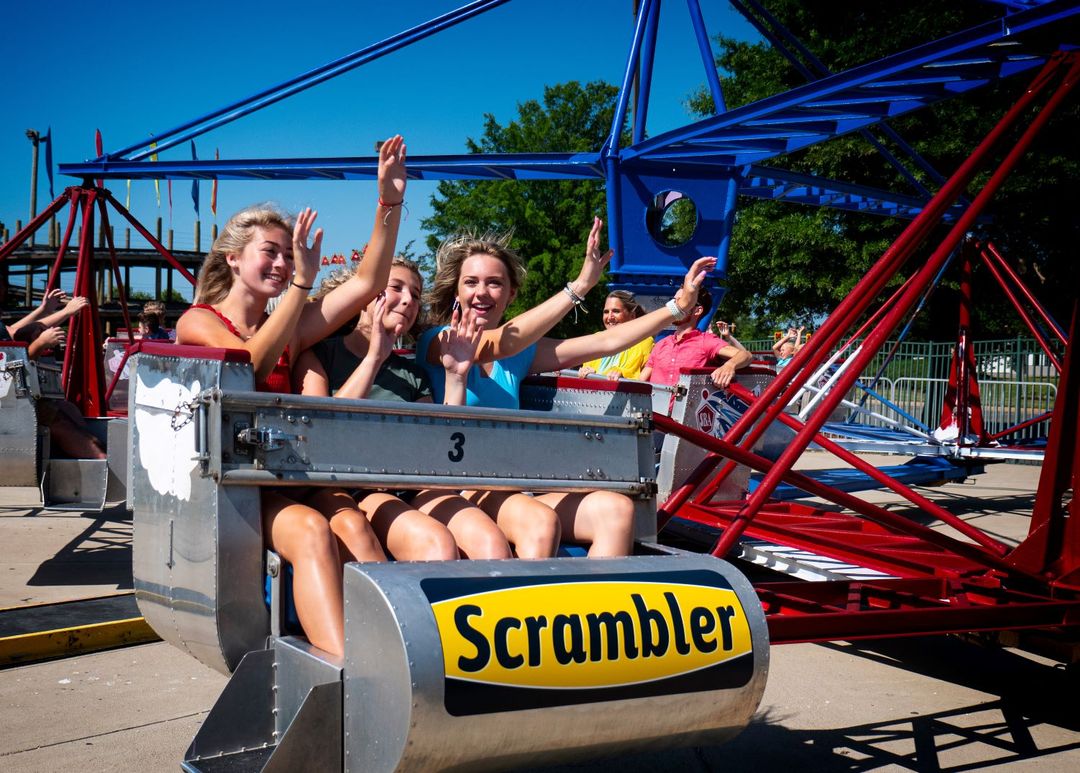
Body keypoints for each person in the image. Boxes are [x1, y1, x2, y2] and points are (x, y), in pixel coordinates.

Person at [175, 135, 408, 656]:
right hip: (233, 489)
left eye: (289, 254)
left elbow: (369, 282)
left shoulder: (294, 326)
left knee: (350, 519)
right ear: (233, 260)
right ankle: (345, 662)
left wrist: (388, 204)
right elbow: (247, 363)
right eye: (271, 253)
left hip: (288, 473)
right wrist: (302, 285)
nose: (282, 263)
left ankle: (392, 651)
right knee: (308, 530)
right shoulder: (199, 321)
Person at [416, 221, 714, 559]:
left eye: (494, 283)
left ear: (511, 294)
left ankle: (599, 609)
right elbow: (497, 342)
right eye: (471, 282)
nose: (481, 292)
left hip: (509, 485)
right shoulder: (439, 340)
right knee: (538, 522)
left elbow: (606, 341)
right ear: (456, 292)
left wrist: (676, 308)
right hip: (455, 484)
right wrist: (579, 288)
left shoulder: (519, 354)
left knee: (616, 511)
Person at [293, 259, 508, 561]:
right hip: (351, 489)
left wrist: (456, 376)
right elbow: (323, 429)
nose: (408, 300)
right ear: (364, 297)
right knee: (437, 545)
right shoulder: (320, 355)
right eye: (396, 288)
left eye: (416, 295)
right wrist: (374, 358)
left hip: (409, 487)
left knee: (490, 542)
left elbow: (439, 445)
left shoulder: (412, 374)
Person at [639, 287, 752, 389]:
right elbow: (640, 382)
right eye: (673, 301)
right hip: (654, 410)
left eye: (681, 301)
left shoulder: (706, 341)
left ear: (697, 310)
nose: (673, 306)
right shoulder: (661, 344)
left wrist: (729, 366)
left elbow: (746, 355)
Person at [576, 290, 654, 380]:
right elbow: (587, 369)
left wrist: (622, 375)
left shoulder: (644, 342)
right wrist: (585, 373)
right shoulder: (596, 338)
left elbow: (646, 380)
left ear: (632, 316)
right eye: (606, 312)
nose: (609, 317)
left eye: (616, 311)